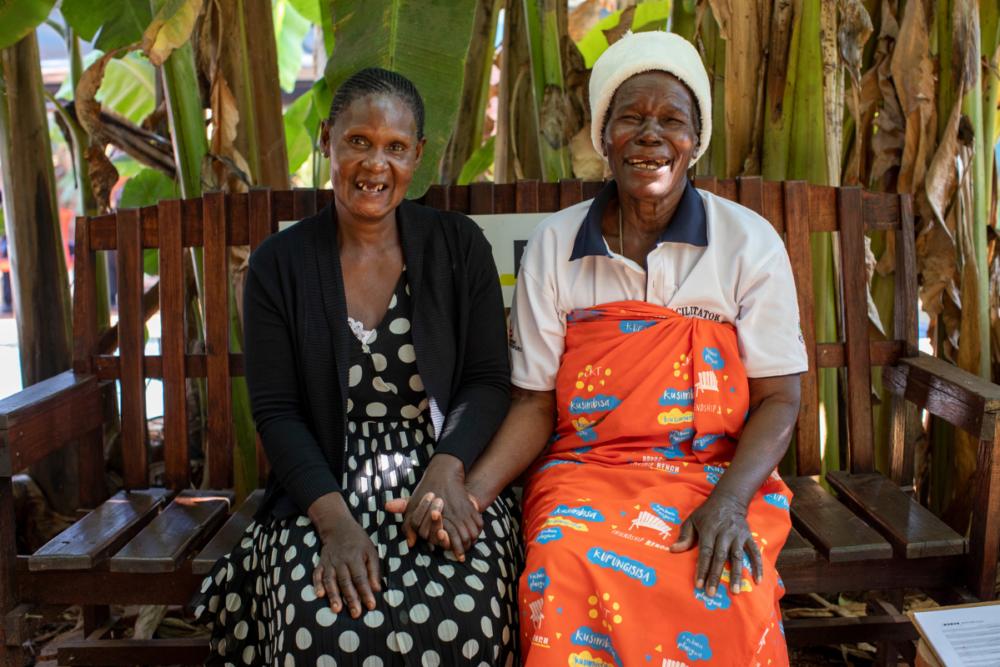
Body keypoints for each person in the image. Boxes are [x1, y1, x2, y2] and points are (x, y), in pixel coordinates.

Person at [398, 31, 808, 666]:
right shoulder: (556, 245)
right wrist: (471, 495)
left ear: (694, 142)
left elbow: (781, 397)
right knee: (561, 561)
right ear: (603, 137)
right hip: (586, 473)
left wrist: (729, 500)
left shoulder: (749, 243)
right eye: (631, 119)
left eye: (672, 120)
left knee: (728, 583)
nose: (650, 136)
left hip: (717, 476)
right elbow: (535, 404)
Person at [193, 68, 520, 667]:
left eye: (395, 147)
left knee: (465, 618)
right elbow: (277, 410)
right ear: (327, 140)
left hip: (439, 473)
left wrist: (448, 473)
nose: (376, 164)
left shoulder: (459, 246)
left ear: (418, 156)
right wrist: (335, 524)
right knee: (320, 630)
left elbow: (486, 380)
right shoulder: (277, 265)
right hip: (321, 482)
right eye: (359, 141)